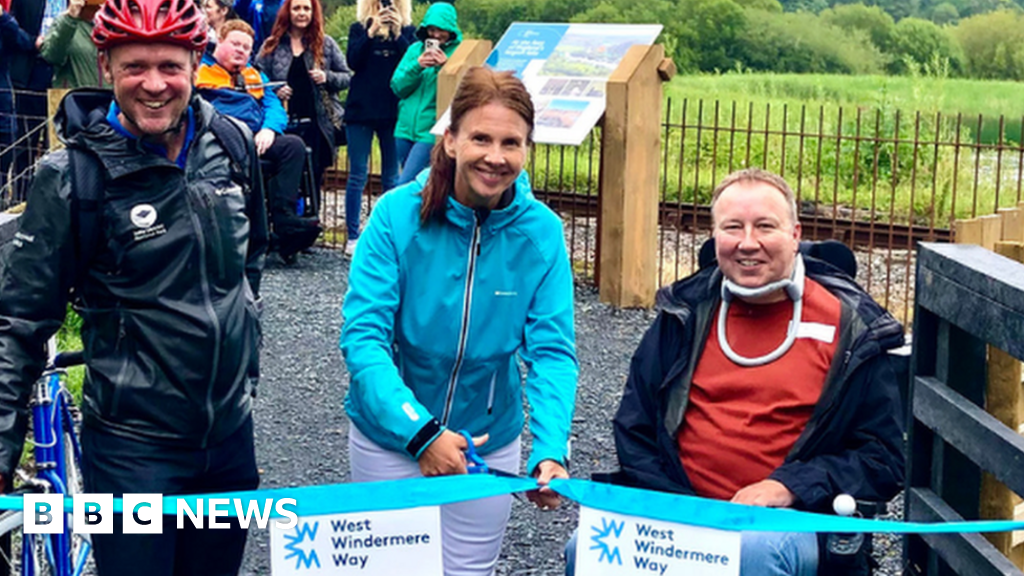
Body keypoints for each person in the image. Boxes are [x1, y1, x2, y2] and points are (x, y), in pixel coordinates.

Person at [0, 0, 268, 574]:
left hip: (227, 441)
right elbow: (19, 324)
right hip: (132, 449)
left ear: (196, 63)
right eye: (134, 66)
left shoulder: (234, 144)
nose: (153, 84)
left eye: (169, 66)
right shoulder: (72, 176)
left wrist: (247, 364)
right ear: (105, 67)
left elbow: (251, 259)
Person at [565, 168, 906, 576]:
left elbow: (883, 459)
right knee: (581, 548)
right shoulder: (685, 314)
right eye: (733, 228)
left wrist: (789, 487)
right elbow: (634, 426)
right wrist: (681, 508)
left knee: (753, 556)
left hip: (789, 519)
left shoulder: (852, 330)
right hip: (681, 507)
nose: (748, 243)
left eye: (765, 226)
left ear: (795, 234)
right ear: (715, 237)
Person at [341, 67, 578, 576]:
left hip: (488, 441)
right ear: (449, 140)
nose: (496, 156)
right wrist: (420, 434)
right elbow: (364, 338)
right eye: (480, 138)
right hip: (391, 436)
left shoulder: (543, 234)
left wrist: (551, 449)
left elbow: (552, 352)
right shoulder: (394, 215)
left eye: (511, 142)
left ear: (527, 150)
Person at [198, 18, 320, 262]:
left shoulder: (255, 75)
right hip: (222, 138)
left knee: (293, 146)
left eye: (246, 48)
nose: (241, 51)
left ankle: (284, 218)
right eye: (235, 44)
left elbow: (274, 106)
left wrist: (269, 129)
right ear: (219, 43)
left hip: (256, 138)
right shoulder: (199, 72)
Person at [256, 0, 350, 213]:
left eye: (306, 9)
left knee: (315, 174)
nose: (302, 13)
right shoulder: (271, 45)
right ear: (288, 12)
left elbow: (347, 77)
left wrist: (327, 77)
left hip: (318, 121)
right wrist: (275, 90)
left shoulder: (326, 44)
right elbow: (256, 79)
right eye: (297, 8)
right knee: (286, 174)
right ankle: (286, 219)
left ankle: (311, 222)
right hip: (283, 123)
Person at [342, 0, 414, 257]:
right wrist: (371, 32)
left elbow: (411, 64)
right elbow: (353, 61)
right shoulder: (358, 28)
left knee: (391, 177)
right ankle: (352, 235)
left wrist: (396, 34)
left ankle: (388, 233)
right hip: (361, 109)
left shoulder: (408, 31)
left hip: (392, 110)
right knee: (357, 174)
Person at [390, 1, 460, 186]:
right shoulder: (414, 50)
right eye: (431, 30)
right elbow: (397, 86)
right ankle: (425, 213)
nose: (436, 35)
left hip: (431, 129)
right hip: (404, 128)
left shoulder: (458, 54)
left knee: (405, 184)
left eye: (441, 30)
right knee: (420, 184)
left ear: (451, 29)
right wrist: (417, 65)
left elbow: (461, 90)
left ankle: (401, 215)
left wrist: (445, 67)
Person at [7, 0, 52, 202]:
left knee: (58, 140)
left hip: (64, 72)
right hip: (30, 71)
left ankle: (55, 200)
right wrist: (32, 42)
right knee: (27, 139)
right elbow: (10, 28)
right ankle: (21, 199)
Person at [0, 2, 33, 198]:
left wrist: (2, 17)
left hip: (2, 98)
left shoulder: (5, 20)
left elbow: (22, 41)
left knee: (7, 143)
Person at [37, 0, 107, 89]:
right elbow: (51, 56)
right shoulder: (65, 22)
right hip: (74, 99)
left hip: (107, 99)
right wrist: (70, 18)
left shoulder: (111, 25)